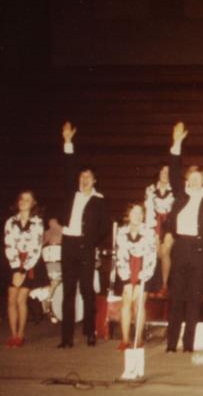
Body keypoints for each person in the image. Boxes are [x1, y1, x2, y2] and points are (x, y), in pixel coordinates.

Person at [165, 122, 203, 353]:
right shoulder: (180, 195)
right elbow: (174, 166)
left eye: (199, 177)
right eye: (192, 177)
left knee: (194, 299)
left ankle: (188, 344)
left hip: (199, 251)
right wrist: (177, 143)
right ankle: (171, 344)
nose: (195, 181)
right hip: (181, 248)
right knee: (176, 297)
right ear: (187, 180)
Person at [58, 121, 110, 348]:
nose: (84, 179)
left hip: (85, 246)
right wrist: (68, 141)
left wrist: (90, 241)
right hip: (68, 244)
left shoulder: (99, 200)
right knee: (68, 291)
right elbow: (69, 166)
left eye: (88, 176)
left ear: (94, 180)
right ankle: (66, 338)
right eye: (82, 176)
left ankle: (90, 332)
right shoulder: (72, 192)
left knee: (88, 290)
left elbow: (105, 226)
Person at [4, 191, 48, 347]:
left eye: (27, 200)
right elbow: (9, 245)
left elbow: (36, 249)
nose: (23, 202)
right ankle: (13, 334)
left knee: (21, 299)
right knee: (11, 300)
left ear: (33, 203)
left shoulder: (38, 223)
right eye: (21, 199)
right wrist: (16, 269)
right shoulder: (10, 222)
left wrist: (23, 270)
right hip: (13, 263)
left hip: (30, 264)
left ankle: (21, 334)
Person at [114, 203, 157, 350]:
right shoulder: (121, 232)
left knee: (139, 303)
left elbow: (151, 256)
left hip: (144, 269)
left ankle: (138, 339)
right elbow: (120, 256)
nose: (137, 216)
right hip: (126, 268)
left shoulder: (149, 232)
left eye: (140, 213)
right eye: (134, 213)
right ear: (128, 215)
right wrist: (126, 280)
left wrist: (140, 280)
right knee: (126, 301)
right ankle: (125, 339)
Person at [144, 162, 175, 292]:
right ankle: (154, 284)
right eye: (163, 171)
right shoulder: (150, 189)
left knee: (165, 250)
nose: (165, 175)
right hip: (154, 222)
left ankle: (164, 284)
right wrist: (153, 229)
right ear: (158, 173)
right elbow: (148, 209)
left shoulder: (175, 188)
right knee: (156, 252)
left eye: (168, 172)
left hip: (170, 222)